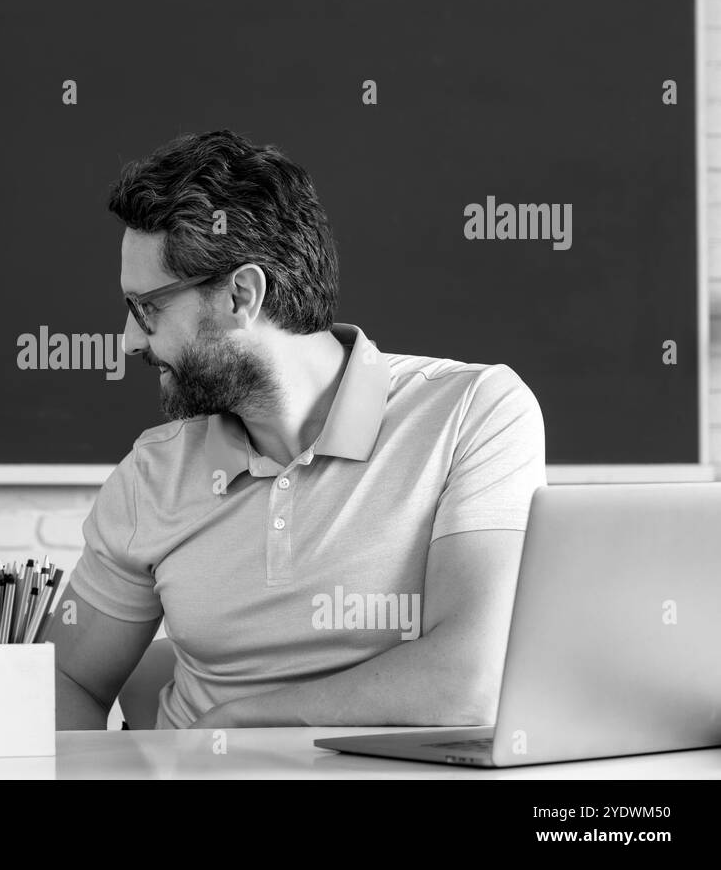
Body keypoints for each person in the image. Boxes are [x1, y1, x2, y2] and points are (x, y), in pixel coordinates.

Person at [50, 130, 547, 730]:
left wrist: (239, 722)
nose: (129, 341)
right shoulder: (152, 473)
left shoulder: (473, 413)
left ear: (241, 295)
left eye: (146, 309)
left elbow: (469, 680)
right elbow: (65, 679)